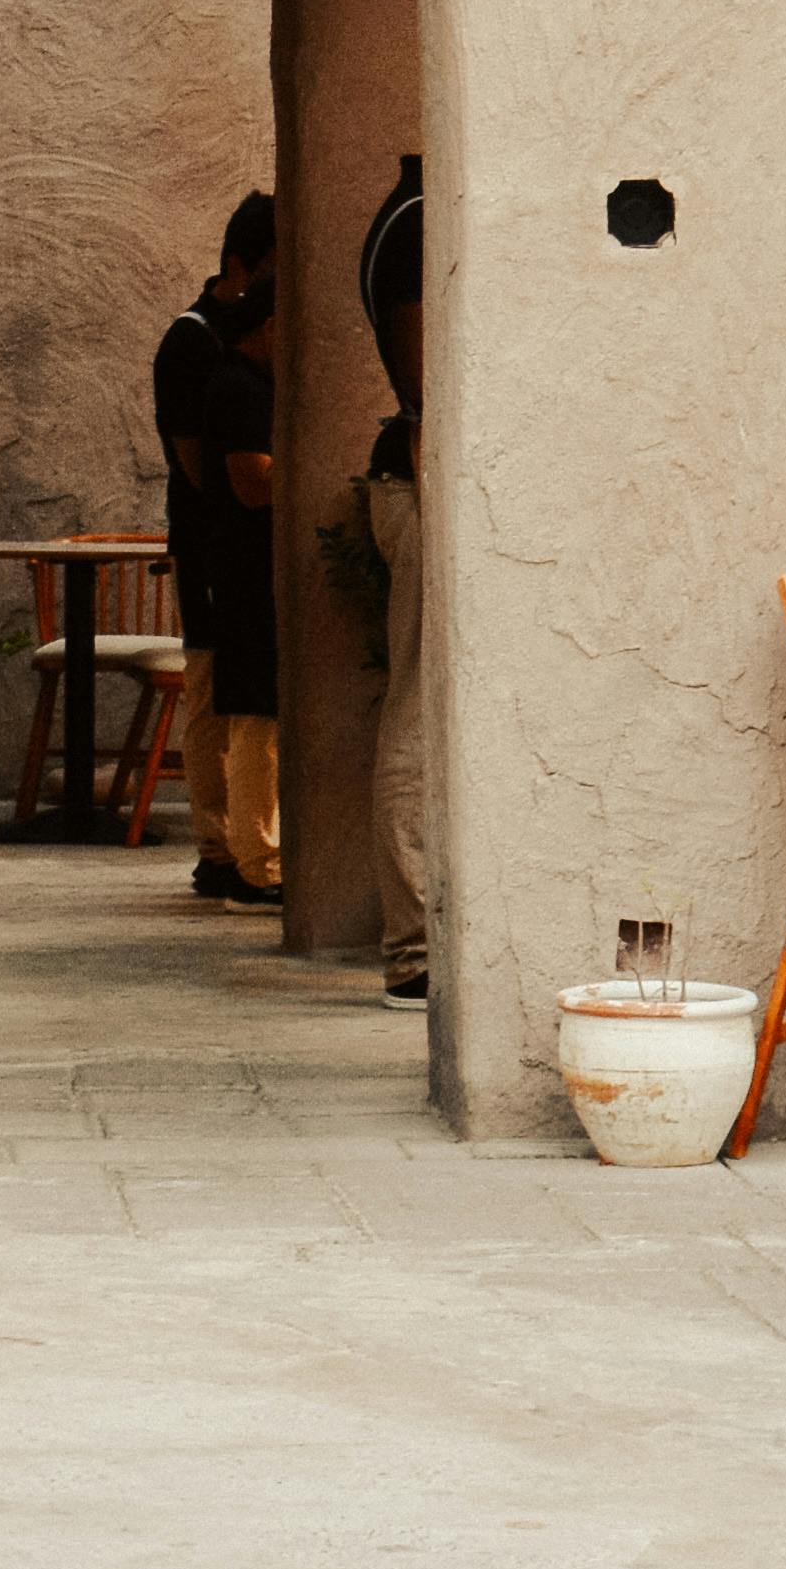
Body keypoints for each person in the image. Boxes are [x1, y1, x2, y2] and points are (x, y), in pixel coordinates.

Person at [151, 192, 282, 904]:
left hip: (232, 541)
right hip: (211, 540)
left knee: (237, 693)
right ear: (238, 267)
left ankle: (237, 843)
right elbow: (204, 466)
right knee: (213, 690)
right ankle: (219, 844)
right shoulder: (195, 343)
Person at [356, 155, 431, 1004]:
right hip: (420, 480)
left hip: (423, 477)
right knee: (418, 707)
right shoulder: (416, 219)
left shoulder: (417, 208)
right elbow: (425, 385)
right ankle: (415, 949)